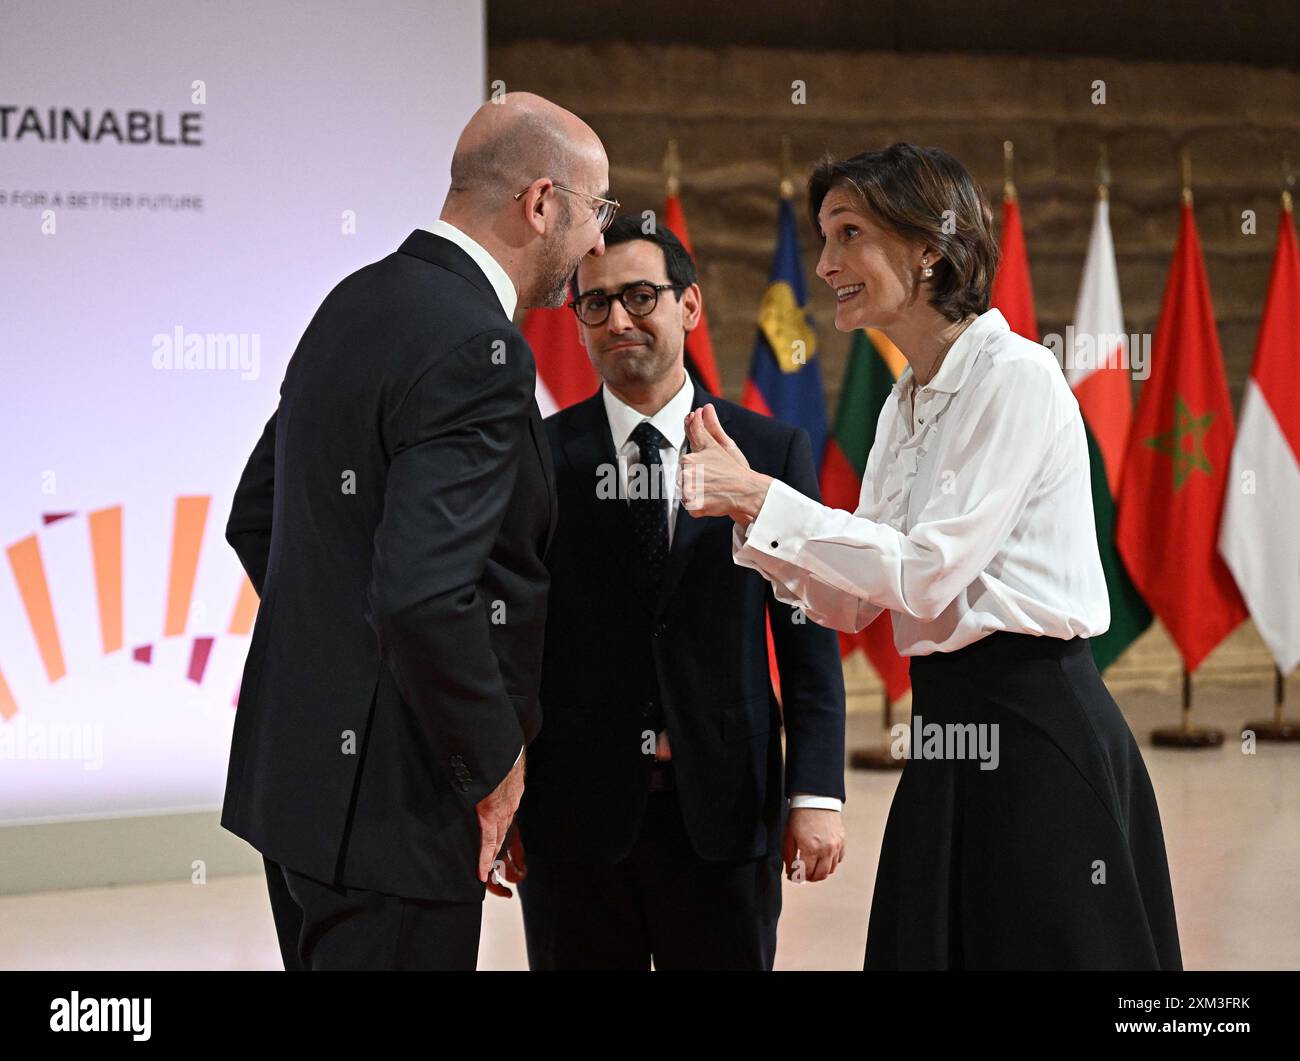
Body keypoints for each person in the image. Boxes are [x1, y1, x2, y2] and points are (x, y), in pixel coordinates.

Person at [677, 142, 1182, 971]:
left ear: (930, 248)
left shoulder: (1015, 375)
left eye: (848, 234)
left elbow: (924, 571)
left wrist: (763, 497)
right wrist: (751, 520)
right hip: (946, 726)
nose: (826, 261)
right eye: (823, 237)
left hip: (1036, 728)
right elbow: (853, 603)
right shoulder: (904, 399)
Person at [221, 92, 614, 970]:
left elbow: (259, 517)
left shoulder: (353, 303)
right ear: (541, 201)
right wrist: (493, 762)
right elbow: (422, 594)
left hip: (298, 790)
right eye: (597, 211)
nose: (596, 243)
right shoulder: (478, 345)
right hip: (400, 807)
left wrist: (341, 680)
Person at [501, 217, 847, 970]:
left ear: (689, 306)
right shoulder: (540, 455)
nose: (617, 318)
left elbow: (808, 633)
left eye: (639, 296)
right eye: (595, 303)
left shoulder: (769, 450)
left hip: (726, 814)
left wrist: (816, 791)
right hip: (575, 823)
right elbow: (513, 643)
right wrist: (502, 789)